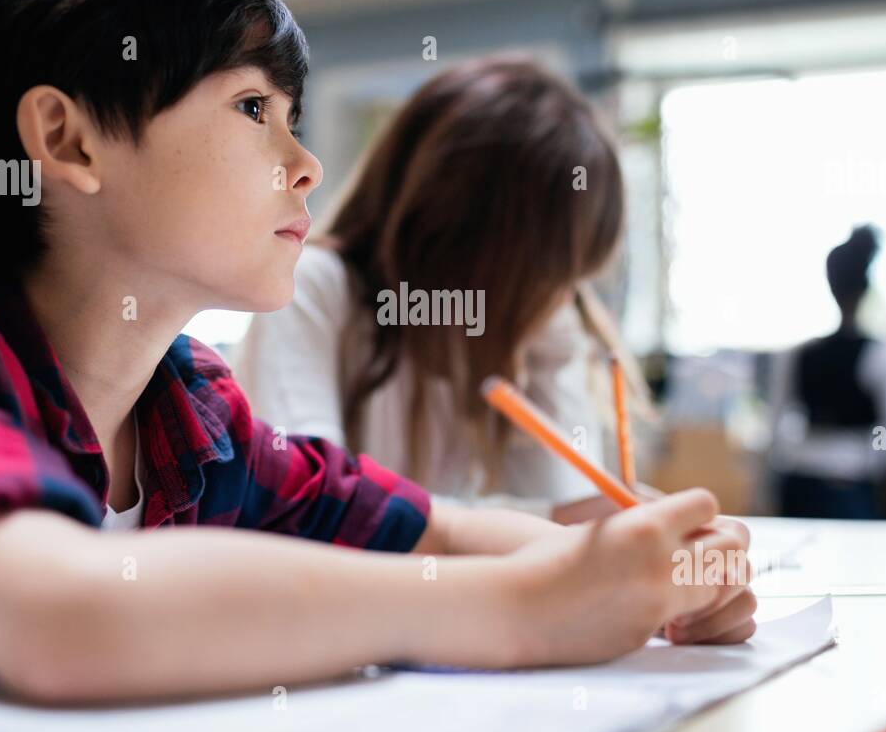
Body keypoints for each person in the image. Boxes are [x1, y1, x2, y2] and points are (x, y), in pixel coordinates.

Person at [0, 0, 754, 701]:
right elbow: (66, 615)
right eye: (254, 108)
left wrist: (650, 571)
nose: (306, 162)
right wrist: (526, 611)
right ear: (69, 141)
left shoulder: (198, 416)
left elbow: (443, 530)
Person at [237, 55, 651, 524]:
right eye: (540, 274)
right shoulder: (315, 286)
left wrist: (552, 335)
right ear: (454, 229)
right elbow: (315, 507)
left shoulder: (506, 325)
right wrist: (552, 519)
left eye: (564, 280)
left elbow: (568, 507)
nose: (549, 295)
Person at [764, 226, 886, 520]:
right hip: (851, 490)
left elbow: (772, 434)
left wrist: (761, 500)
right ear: (867, 286)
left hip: (798, 487)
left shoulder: (796, 354)